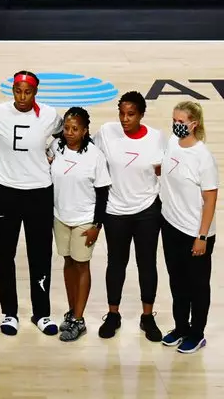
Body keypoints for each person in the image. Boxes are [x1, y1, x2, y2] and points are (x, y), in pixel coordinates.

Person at [0, 70, 63, 336]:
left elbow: (66, 132)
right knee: (4, 254)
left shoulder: (50, 116)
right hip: (5, 191)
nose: (22, 96)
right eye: (17, 91)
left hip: (39, 192)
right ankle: (9, 313)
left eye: (27, 91)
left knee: (40, 254)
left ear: (35, 92)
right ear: (13, 90)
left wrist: (51, 153)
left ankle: (41, 313)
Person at [93, 91, 164, 341]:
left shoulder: (156, 138)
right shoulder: (107, 132)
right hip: (115, 211)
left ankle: (147, 317)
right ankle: (113, 314)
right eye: (122, 113)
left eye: (131, 114)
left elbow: (162, 170)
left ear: (141, 115)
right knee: (116, 264)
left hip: (147, 210)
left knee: (146, 264)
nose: (125, 119)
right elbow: (90, 154)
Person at [160, 101, 218, 354]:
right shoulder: (172, 144)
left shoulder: (203, 158)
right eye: (174, 120)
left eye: (181, 122)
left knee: (197, 285)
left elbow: (210, 199)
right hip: (170, 225)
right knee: (177, 282)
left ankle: (197, 333)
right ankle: (181, 327)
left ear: (194, 124)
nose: (176, 125)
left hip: (195, 232)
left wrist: (202, 236)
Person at [50, 107, 111, 342]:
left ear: (85, 130)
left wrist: (97, 225)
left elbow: (103, 193)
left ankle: (79, 318)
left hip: (85, 220)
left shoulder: (95, 156)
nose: (69, 132)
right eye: (66, 128)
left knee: (81, 265)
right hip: (60, 217)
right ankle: (71, 310)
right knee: (67, 262)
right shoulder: (57, 147)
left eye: (75, 129)